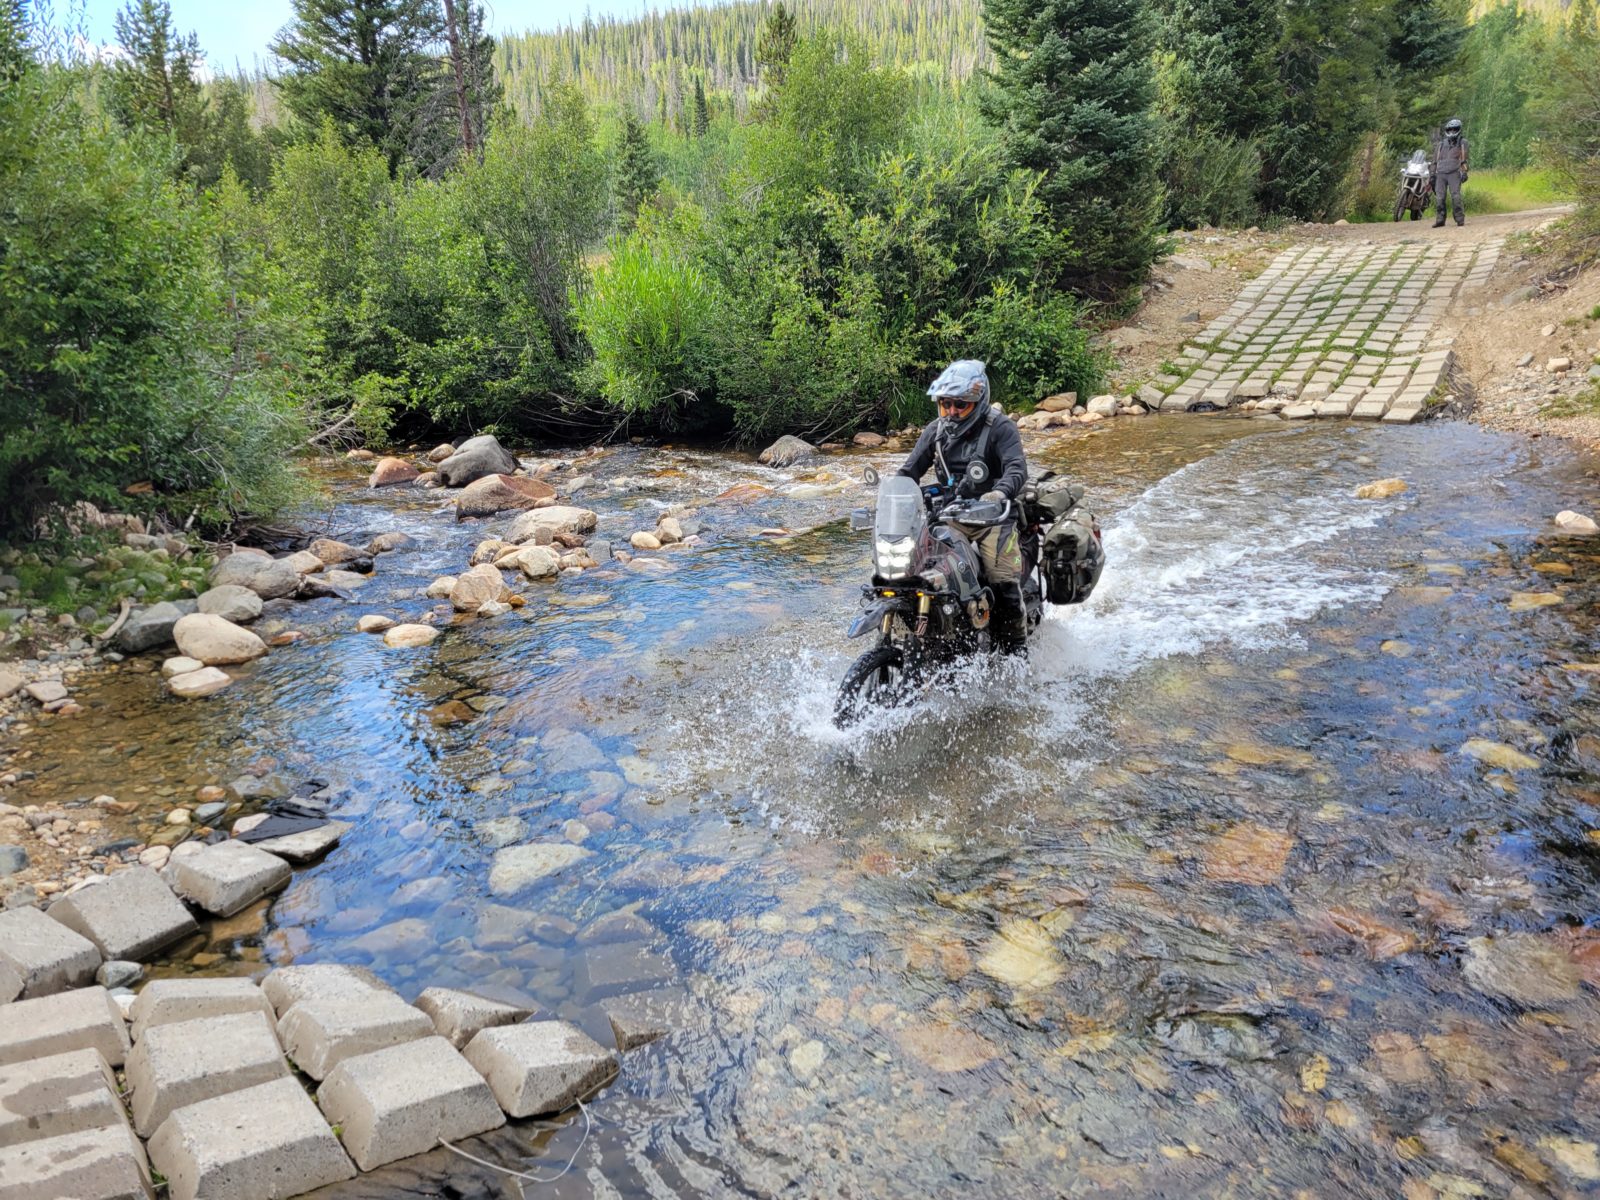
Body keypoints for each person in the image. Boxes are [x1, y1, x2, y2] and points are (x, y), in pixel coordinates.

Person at [896, 360, 1031, 646]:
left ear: (978, 402)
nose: (952, 412)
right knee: (910, 570)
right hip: (949, 516)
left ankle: (1015, 652)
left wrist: (999, 493)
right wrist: (893, 496)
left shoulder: (1000, 428)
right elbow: (908, 472)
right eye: (945, 405)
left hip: (993, 517)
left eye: (961, 405)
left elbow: (1017, 469)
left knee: (1001, 578)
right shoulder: (935, 430)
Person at [1434, 117, 1469, 228]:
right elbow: (1435, 161)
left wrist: (1464, 172)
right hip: (1441, 173)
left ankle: (1459, 219)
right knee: (1440, 198)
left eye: (1454, 129)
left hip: (1454, 173)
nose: (1452, 132)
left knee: (1456, 197)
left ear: (1458, 129)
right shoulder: (1440, 144)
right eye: (1450, 130)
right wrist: (1431, 176)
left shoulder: (1463, 142)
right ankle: (1440, 220)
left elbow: (1464, 159)